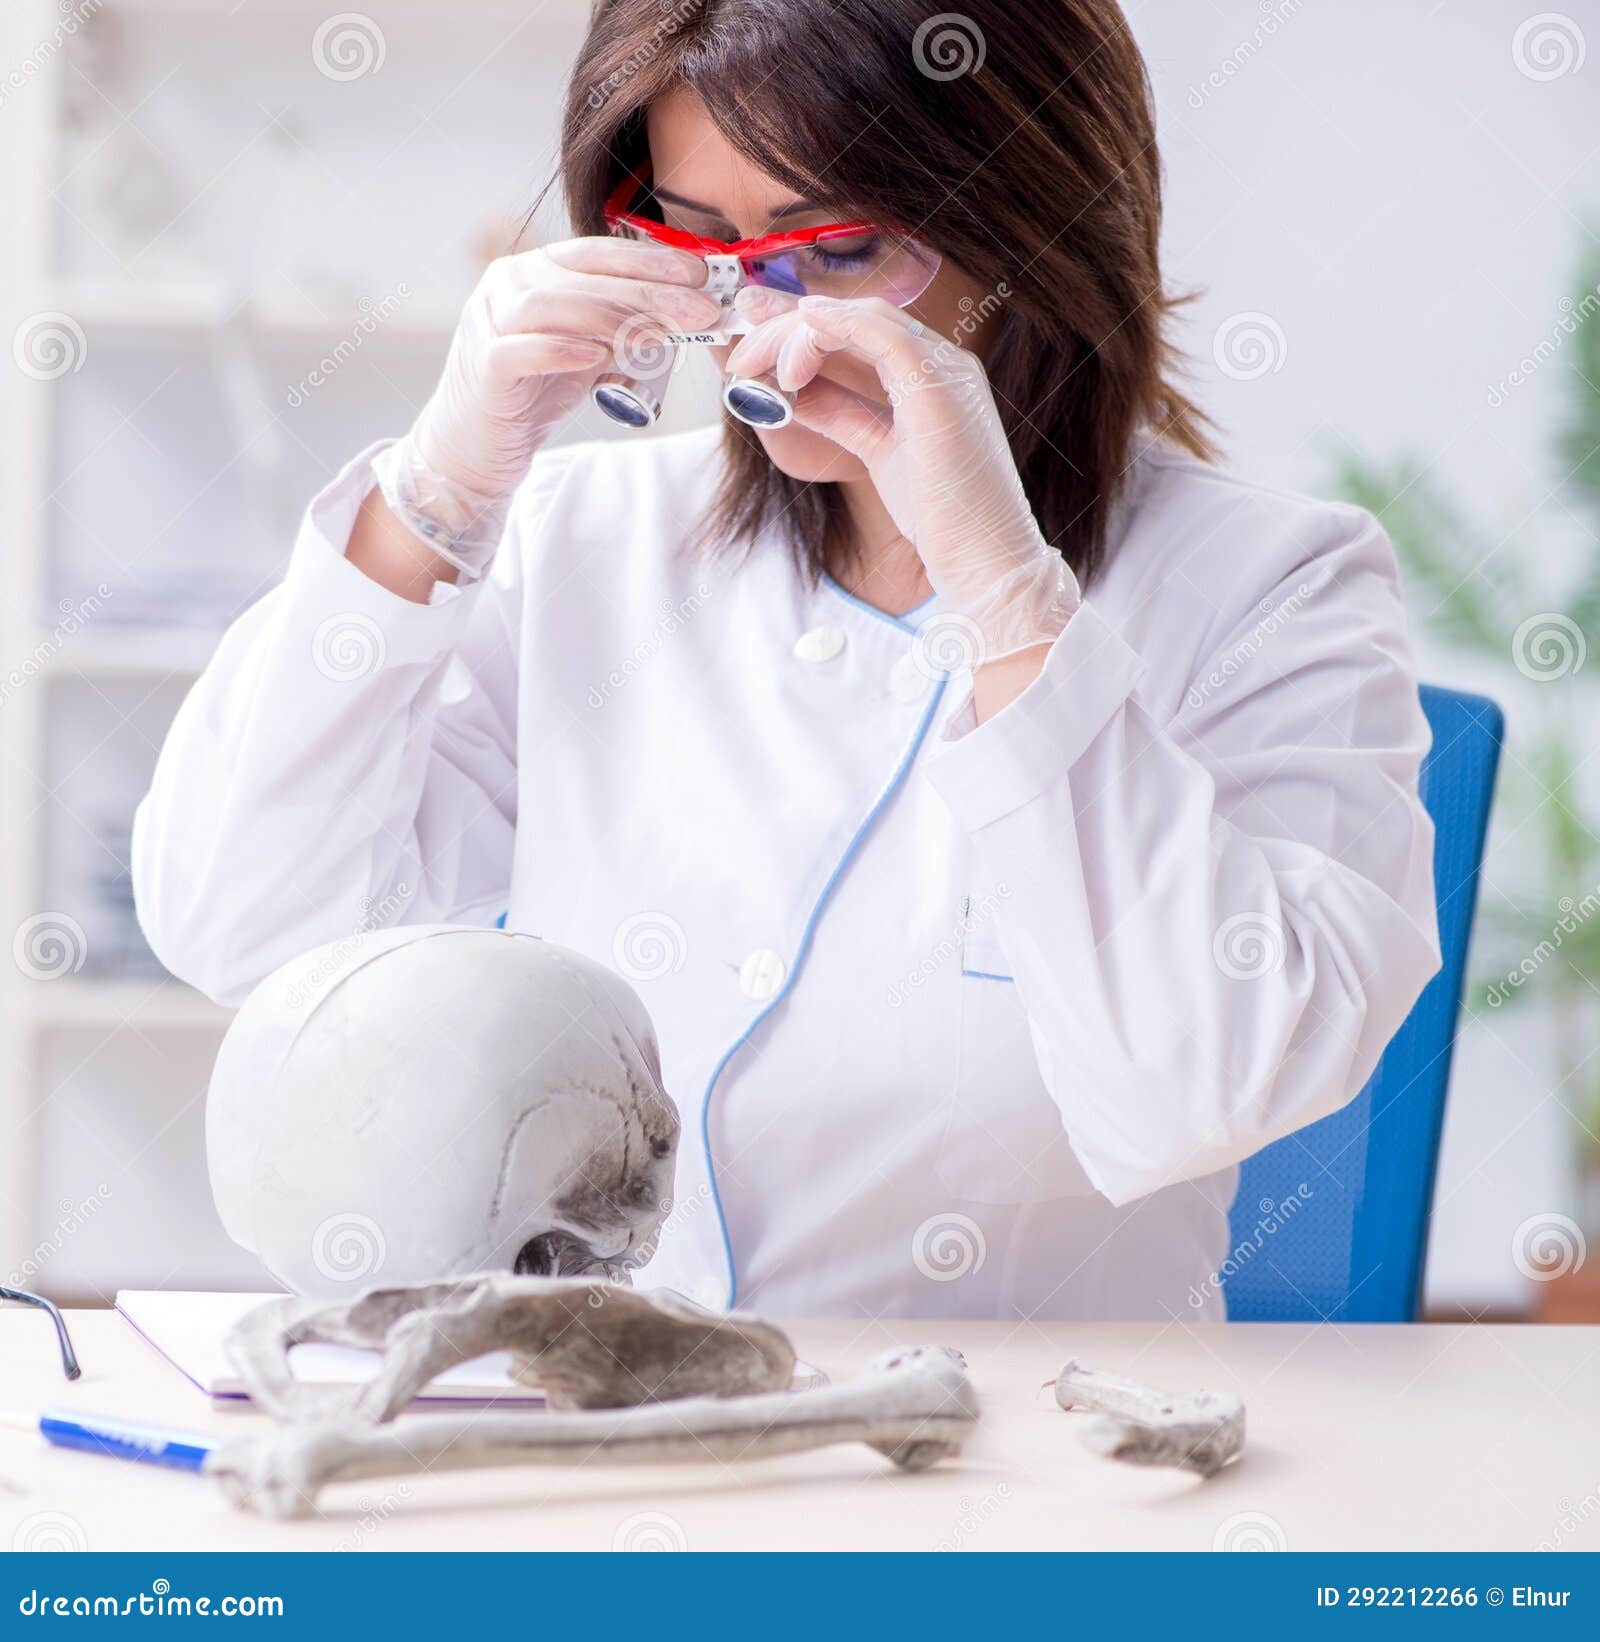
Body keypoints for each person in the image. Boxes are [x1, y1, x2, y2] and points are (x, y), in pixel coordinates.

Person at [133, 0, 1440, 1321]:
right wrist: (438, 491)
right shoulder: (579, 541)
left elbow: (1195, 1086)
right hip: (614, 1431)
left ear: (1039, 222)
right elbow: (245, 925)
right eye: (697, 243)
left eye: (844, 244)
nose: (759, 313)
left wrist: (996, 575)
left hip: (1034, 1465)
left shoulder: (1277, 585)